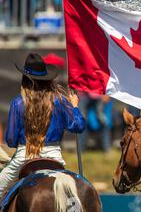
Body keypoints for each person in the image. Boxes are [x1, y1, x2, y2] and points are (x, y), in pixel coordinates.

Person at [0, 53, 85, 197]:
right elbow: (78, 126)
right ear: (47, 79)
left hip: (24, 157)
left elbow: (10, 140)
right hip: (54, 158)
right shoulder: (60, 101)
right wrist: (75, 106)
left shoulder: (18, 103)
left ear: (25, 79)